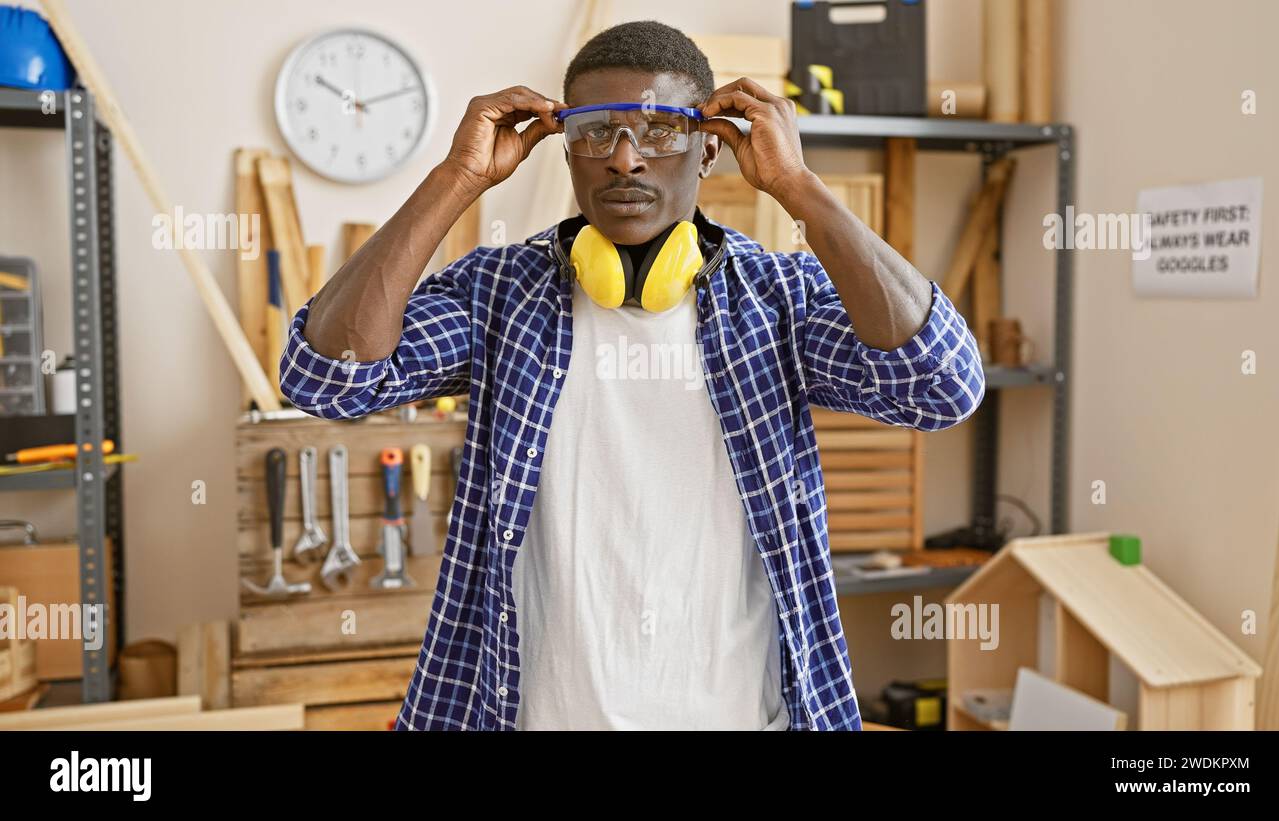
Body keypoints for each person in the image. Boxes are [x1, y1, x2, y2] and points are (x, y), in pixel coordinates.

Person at [281, 21, 984, 731]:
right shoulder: (499, 294)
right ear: (565, 149)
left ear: (711, 146)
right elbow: (327, 379)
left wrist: (798, 187)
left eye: (659, 131)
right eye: (594, 132)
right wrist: (456, 178)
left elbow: (940, 385)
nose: (624, 159)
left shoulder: (778, 299)